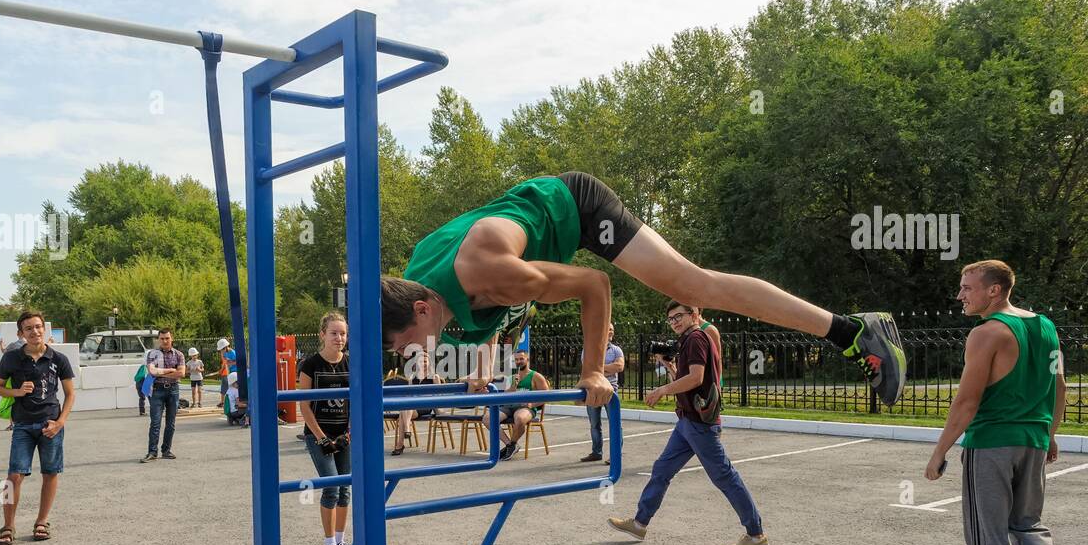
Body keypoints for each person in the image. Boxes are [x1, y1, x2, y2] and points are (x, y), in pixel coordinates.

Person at [380, 172, 905, 410]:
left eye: (406, 343)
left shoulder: (488, 272)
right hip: (527, 237)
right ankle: (850, 329)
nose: (411, 354)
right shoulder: (417, 283)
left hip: (578, 209)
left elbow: (594, 284)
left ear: (422, 309)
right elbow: (479, 328)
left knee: (695, 285)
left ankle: (853, 329)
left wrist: (589, 370)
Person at [925, 260, 1085, 545]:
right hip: (1032, 441)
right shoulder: (1046, 327)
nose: (960, 295)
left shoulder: (987, 333)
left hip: (992, 443)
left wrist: (939, 452)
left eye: (967, 287)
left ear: (994, 290)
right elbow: (1059, 386)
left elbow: (966, 401)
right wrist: (1049, 435)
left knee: (987, 535)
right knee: (1028, 527)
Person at [608, 301, 768, 545]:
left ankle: (755, 533)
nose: (675, 322)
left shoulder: (696, 338)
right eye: (671, 319)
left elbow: (696, 378)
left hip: (699, 424)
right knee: (662, 469)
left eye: (679, 316)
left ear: (694, 315)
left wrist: (661, 390)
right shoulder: (689, 340)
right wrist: (669, 366)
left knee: (724, 476)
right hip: (687, 423)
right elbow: (686, 380)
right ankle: (640, 523)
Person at [0, 310, 75, 545]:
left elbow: (70, 394)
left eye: (38, 327)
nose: (35, 331)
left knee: (50, 473)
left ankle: (42, 521)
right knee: (12, 477)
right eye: (29, 328)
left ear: (44, 329)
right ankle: (7, 525)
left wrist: (60, 422)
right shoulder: (11, 358)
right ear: (21, 333)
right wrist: (16, 392)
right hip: (23, 425)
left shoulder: (58, 359)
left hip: (51, 424)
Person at [297, 312, 351, 545]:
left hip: (343, 434)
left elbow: (355, 402)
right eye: (334, 333)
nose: (339, 338)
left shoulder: (350, 363)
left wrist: (348, 433)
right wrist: (321, 438)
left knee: (346, 489)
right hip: (318, 434)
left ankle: (341, 540)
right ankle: (329, 544)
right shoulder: (310, 365)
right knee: (331, 487)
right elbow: (304, 405)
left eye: (342, 333)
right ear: (322, 335)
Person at [580, 323, 624, 463]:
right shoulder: (588, 350)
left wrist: (596, 369)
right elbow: (587, 369)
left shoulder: (617, 350)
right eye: (608, 329)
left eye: (612, 329)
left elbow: (619, 367)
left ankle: (615, 455)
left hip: (611, 391)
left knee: (615, 423)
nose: (610, 331)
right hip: (592, 391)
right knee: (594, 424)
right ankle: (596, 452)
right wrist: (604, 369)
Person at [388, 347, 444, 456]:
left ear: (429, 363)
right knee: (405, 408)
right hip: (413, 408)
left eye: (425, 361)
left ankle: (401, 443)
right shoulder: (412, 378)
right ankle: (405, 433)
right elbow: (409, 395)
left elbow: (439, 396)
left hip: (426, 406)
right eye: (421, 361)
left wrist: (439, 411)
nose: (423, 363)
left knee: (403, 413)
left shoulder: (434, 377)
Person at [495, 349, 549, 460]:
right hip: (509, 406)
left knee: (519, 418)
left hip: (525, 407)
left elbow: (547, 395)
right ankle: (510, 445)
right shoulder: (512, 377)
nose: (519, 361)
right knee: (488, 418)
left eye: (521, 359)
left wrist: (532, 405)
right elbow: (506, 395)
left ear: (527, 359)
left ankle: (511, 445)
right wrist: (513, 386)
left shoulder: (536, 376)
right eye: (516, 359)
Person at [142, 329, 185, 462]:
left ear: (172, 338)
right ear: (158, 339)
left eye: (167, 338)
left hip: (173, 390)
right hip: (157, 390)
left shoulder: (179, 355)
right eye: (162, 338)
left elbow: (181, 373)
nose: (165, 341)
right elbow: (151, 370)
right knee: (155, 422)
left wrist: (160, 373)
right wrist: (171, 370)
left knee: (171, 423)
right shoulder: (152, 354)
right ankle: (152, 452)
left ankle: (166, 450)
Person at [216, 338, 235, 408]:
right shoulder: (224, 353)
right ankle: (224, 402)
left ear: (226, 347)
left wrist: (230, 363)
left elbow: (237, 361)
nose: (221, 351)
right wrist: (222, 369)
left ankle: (232, 402)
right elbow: (225, 363)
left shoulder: (232, 353)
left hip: (234, 372)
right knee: (226, 387)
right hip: (228, 372)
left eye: (222, 349)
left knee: (232, 387)